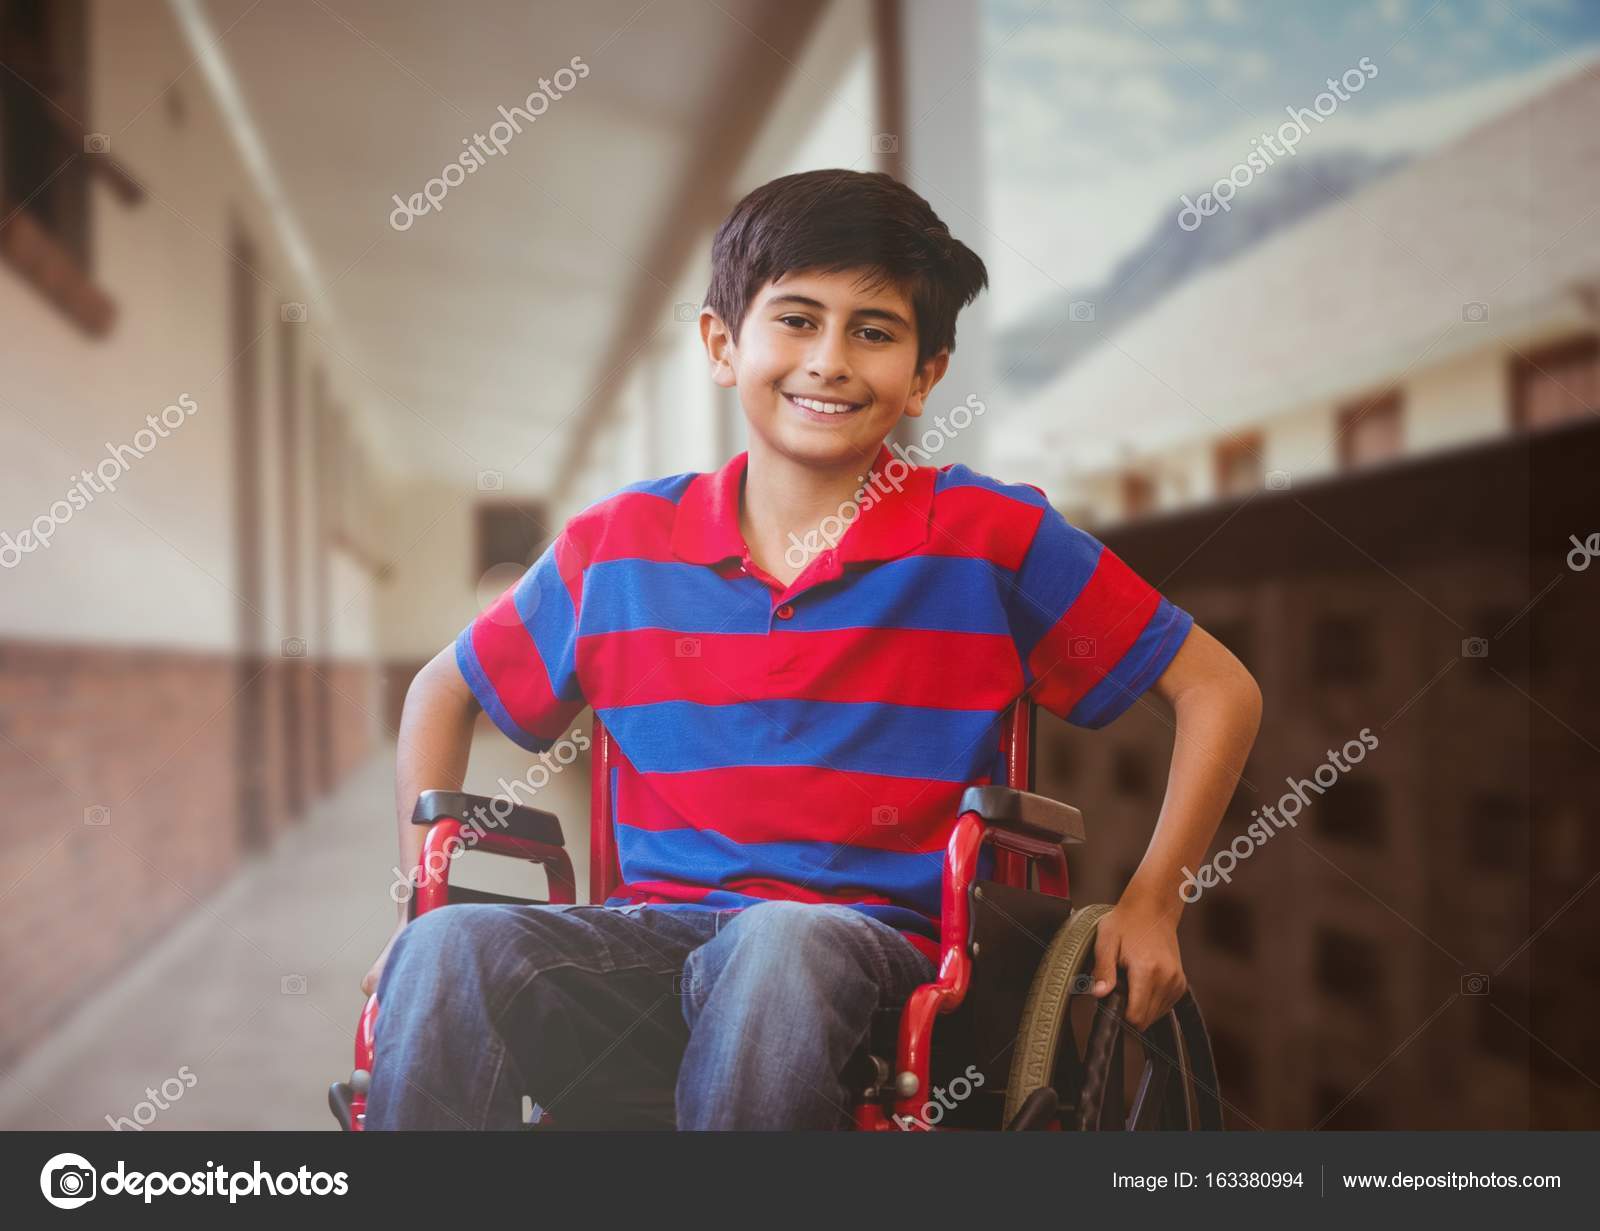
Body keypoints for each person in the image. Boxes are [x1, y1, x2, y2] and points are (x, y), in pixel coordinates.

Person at [362, 169, 1262, 1130]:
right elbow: (439, 690)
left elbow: (1218, 686)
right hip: (645, 948)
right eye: (795, 319)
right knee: (444, 949)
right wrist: (424, 897)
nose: (829, 360)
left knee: (779, 944)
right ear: (722, 342)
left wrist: (1154, 899)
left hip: (876, 959)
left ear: (925, 375)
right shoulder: (617, 548)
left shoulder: (987, 537)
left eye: (873, 331)